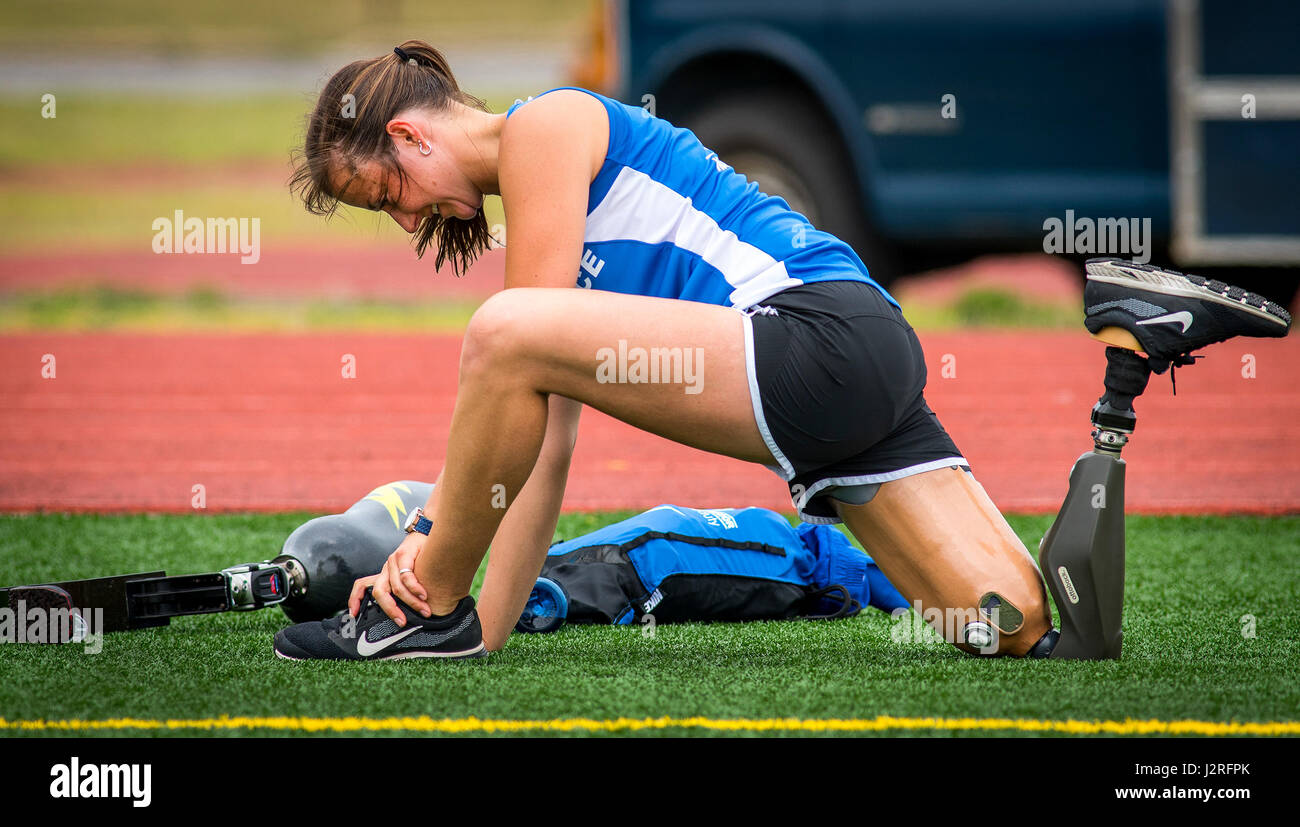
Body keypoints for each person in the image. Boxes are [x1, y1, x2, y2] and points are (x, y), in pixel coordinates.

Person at [274, 39, 1061, 661]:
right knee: (1001, 621)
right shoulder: (546, 196)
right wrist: (487, 631)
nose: (409, 222)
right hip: (868, 351)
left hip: (810, 336)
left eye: (386, 195)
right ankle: (1109, 434)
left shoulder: (540, 126)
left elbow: (515, 344)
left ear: (409, 135)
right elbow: (547, 437)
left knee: (500, 328)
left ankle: (419, 617)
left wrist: (425, 553)